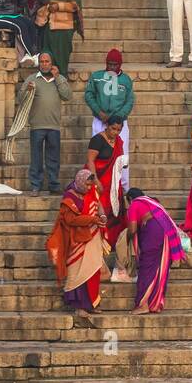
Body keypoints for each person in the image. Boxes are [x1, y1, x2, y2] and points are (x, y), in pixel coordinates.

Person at [46, 169, 107, 317]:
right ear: (79, 182)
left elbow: (97, 203)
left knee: (93, 271)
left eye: (90, 185)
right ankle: (80, 307)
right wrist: (92, 219)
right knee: (78, 273)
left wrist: (102, 215)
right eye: (86, 185)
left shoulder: (90, 190)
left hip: (92, 236)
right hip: (75, 240)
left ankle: (92, 303)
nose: (88, 188)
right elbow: (70, 220)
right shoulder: (69, 198)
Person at [13, 0, 84, 72]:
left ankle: (61, 76)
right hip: (46, 22)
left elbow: (75, 5)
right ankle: (46, 76)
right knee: (46, 51)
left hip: (64, 26)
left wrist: (58, 6)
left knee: (61, 54)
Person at [17, 52, 71, 196]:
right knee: (36, 158)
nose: (44, 64)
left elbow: (67, 95)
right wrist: (27, 91)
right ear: (39, 63)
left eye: (47, 61)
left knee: (53, 158)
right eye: (42, 61)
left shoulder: (59, 79)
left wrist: (58, 77)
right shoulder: (32, 79)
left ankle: (53, 184)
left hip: (53, 126)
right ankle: (36, 186)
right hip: (37, 126)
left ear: (52, 63)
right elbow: (20, 99)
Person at [126, 189, 186, 314]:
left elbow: (132, 229)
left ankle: (143, 305)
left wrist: (124, 238)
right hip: (165, 235)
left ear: (131, 199)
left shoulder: (135, 204)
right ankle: (155, 304)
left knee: (146, 269)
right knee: (159, 268)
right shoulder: (152, 202)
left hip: (153, 235)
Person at [84, 48, 134, 172]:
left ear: (120, 64)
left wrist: (117, 117)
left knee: (122, 154)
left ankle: (123, 186)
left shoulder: (126, 80)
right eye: (109, 64)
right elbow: (89, 95)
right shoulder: (96, 76)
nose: (112, 67)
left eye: (115, 64)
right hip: (100, 120)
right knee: (97, 150)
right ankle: (97, 181)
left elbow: (129, 101)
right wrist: (98, 112)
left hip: (119, 124)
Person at [86, 116, 128, 249]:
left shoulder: (119, 141)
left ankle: (112, 243)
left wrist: (124, 163)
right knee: (100, 211)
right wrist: (95, 180)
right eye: (113, 128)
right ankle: (98, 243)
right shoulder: (97, 140)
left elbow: (120, 160)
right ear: (107, 126)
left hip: (114, 183)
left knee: (115, 212)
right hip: (99, 181)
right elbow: (90, 161)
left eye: (118, 130)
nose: (115, 132)